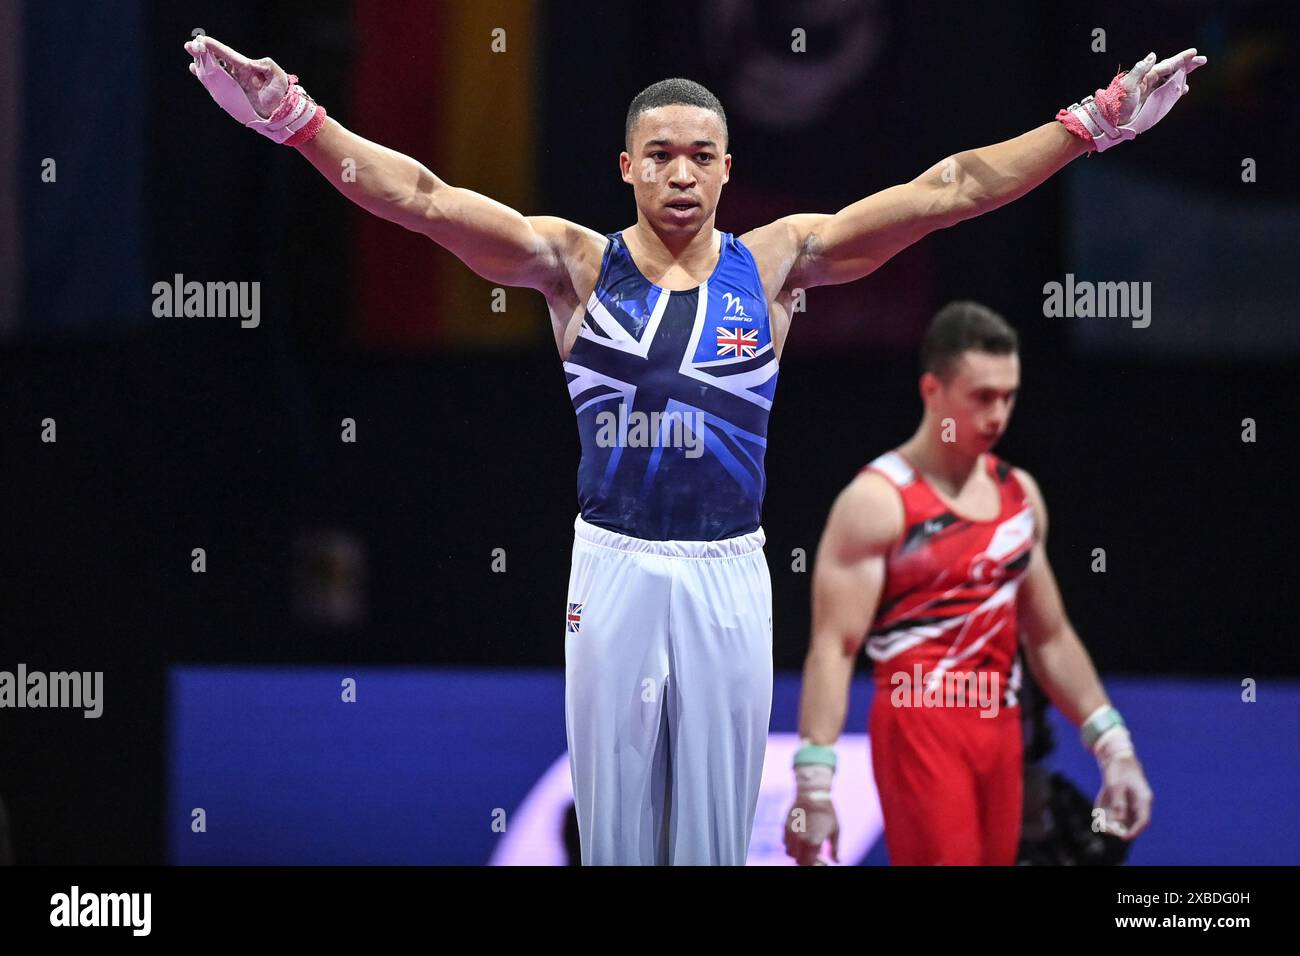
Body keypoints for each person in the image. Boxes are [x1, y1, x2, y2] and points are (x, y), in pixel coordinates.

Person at [184, 36, 1198, 865]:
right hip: (614, 561)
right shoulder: (570, 264)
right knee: (621, 836)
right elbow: (419, 195)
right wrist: (297, 121)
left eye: (699, 154)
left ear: (724, 166)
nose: (680, 172)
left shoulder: (779, 262)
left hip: (725, 567)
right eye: (659, 153)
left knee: (713, 839)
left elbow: (953, 187)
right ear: (626, 165)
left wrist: (1092, 122)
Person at [783, 301, 1153, 866]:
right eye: (982, 397)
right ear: (933, 391)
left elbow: (1049, 638)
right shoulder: (877, 502)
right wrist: (813, 785)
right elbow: (835, 647)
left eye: (1008, 396)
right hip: (919, 724)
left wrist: (1114, 747)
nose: (999, 415)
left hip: (1002, 730)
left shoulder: (1019, 496)